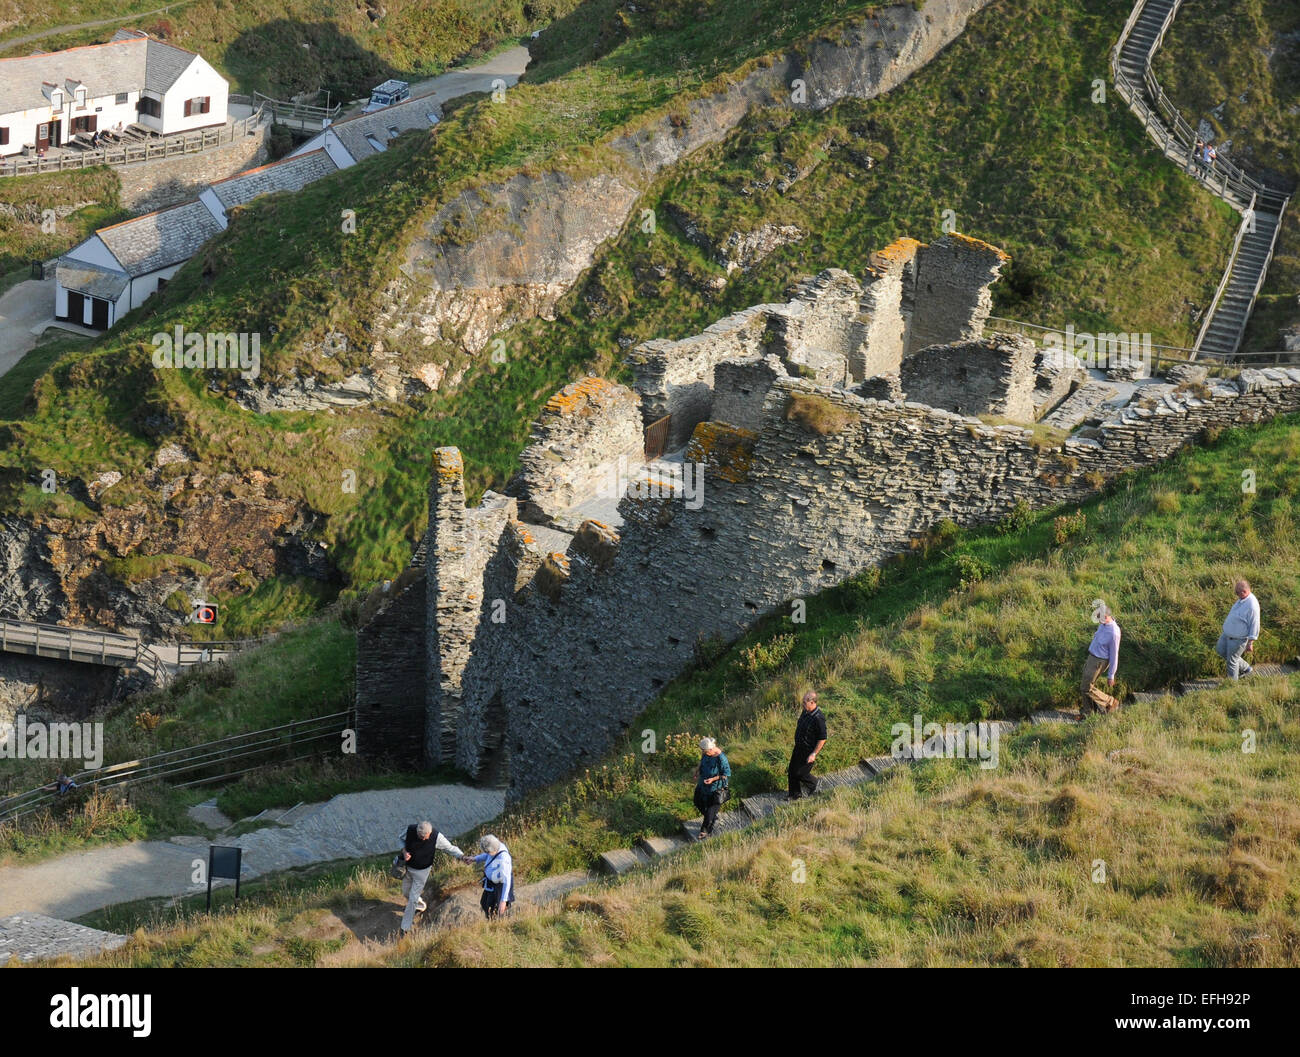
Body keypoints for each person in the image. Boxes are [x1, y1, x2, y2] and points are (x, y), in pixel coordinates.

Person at [396, 820, 465, 936]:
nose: (423, 839)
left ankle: (404, 928)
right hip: (408, 869)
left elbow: (450, 848)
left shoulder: (436, 837)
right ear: (417, 830)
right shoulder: (410, 829)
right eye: (420, 836)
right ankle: (421, 906)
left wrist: (462, 856)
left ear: (430, 832)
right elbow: (400, 839)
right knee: (406, 892)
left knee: (412, 898)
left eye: (425, 837)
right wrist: (404, 851)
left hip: (422, 871)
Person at [1216, 579, 1260, 680]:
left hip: (1237, 639)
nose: (1236, 595)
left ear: (1244, 592)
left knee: (1232, 662)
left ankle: (1232, 685)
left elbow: (1255, 624)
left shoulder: (1252, 605)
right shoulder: (1242, 599)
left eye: (1237, 593)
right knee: (1220, 650)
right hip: (1227, 634)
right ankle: (1247, 669)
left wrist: (1250, 642)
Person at [1081, 604, 1121, 714]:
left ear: (1107, 616)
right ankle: (1088, 712)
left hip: (1099, 662)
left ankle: (1110, 702)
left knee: (1086, 687)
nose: (1098, 620)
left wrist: (1111, 675)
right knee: (1085, 685)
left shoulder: (1114, 633)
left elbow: (1114, 655)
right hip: (1092, 657)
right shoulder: (1103, 625)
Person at [787, 690, 827, 800]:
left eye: (805, 702)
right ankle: (795, 795)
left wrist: (813, 754)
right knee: (792, 771)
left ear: (812, 702)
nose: (803, 705)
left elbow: (822, 738)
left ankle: (816, 784)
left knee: (801, 773)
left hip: (808, 751)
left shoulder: (818, 718)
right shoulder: (805, 711)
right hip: (798, 747)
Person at [464, 834, 513, 918]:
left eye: (488, 852)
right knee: (484, 903)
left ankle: (495, 926)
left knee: (493, 909)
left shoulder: (504, 859)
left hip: (498, 887)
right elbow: (487, 855)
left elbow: (507, 880)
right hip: (490, 885)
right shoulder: (496, 847)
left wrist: (503, 900)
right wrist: (475, 859)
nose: (487, 854)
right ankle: (491, 920)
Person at [692, 737, 731, 839]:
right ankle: (711, 817)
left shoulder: (721, 758)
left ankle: (705, 830)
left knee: (710, 809)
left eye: (704, 751)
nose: (703, 752)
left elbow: (726, 774)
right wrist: (697, 770)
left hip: (716, 788)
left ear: (710, 749)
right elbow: (702, 760)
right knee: (697, 801)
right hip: (703, 783)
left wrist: (713, 779)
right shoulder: (706, 753)